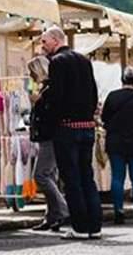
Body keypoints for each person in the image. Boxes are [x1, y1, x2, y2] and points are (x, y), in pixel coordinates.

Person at [41, 27, 101, 240]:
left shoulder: (57, 62)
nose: (42, 46)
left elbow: (56, 97)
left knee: (72, 178)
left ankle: (80, 227)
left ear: (56, 40)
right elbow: (94, 93)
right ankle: (95, 225)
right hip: (87, 126)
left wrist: (44, 100)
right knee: (87, 177)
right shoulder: (84, 60)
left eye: (44, 41)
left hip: (67, 127)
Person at [101, 68, 133, 225]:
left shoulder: (112, 97)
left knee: (117, 177)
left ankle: (119, 212)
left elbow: (104, 118)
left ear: (122, 80)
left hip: (116, 143)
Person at [26, 55, 70, 232]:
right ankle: (52, 216)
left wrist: (39, 102)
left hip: (49, 137)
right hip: (48, 137)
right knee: (49, 176)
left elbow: (52, 113)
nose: (30, 76)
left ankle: (62, 210)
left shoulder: (49, 90)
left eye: (32, 72)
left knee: (41, 175)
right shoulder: (48, 88)